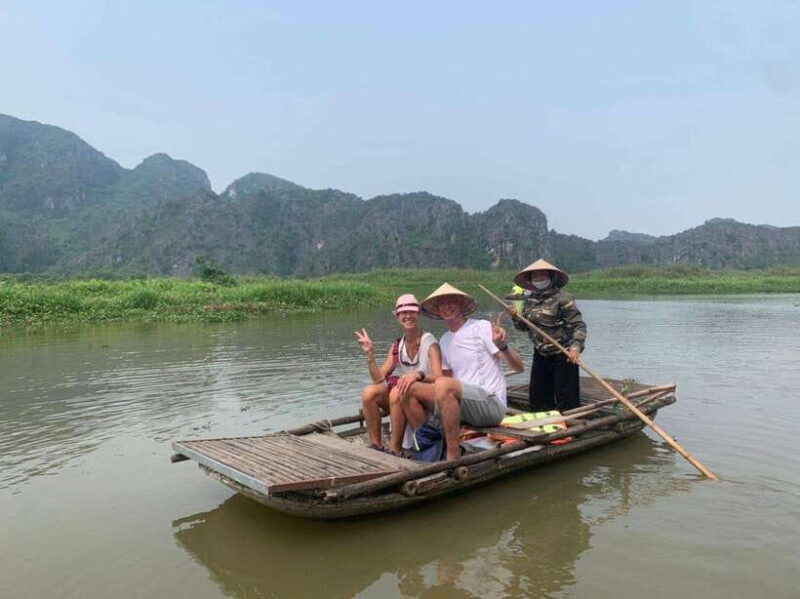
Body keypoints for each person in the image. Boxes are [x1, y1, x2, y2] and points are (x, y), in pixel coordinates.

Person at [420, 283, 524, 461]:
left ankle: (452, 456)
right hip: (464, 406)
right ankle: (425, 447)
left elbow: (519, 368)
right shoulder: (444, 340)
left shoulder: (482, 327)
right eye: (442, 304)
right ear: (437, 310)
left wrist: (503, 346)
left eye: (451, 302)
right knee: (410, 389)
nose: (447, 307)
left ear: (461, 305)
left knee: (444, 384)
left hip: (491, 404)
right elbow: (444, 379)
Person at [355, 294, 442, 455]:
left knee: (397, 390)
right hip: (403, 396)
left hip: (425, 400)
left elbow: (439, 378)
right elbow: (378, 379)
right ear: (397, 316)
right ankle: (376, 446)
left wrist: (418, 375)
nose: (408, 316)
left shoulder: (430, 343)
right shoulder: (398, 345)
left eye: (412, 312)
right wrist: (370, 354)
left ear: (418, 314)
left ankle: (395, 450)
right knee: (369, 393)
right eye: (403, 312)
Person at [509, 258, 587, 413]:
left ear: (551, 278)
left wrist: (575, 348)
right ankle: (543, 429)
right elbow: (523, 328)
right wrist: (515, 317)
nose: (539, 279)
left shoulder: (564, 298)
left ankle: (571, 432)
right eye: (535, 276)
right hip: (541, 354)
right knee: (538, 398)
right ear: (531, 280)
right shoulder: (530, 300)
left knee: (567, 399)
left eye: (543, 276)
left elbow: (578, 326)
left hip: (563, 354)